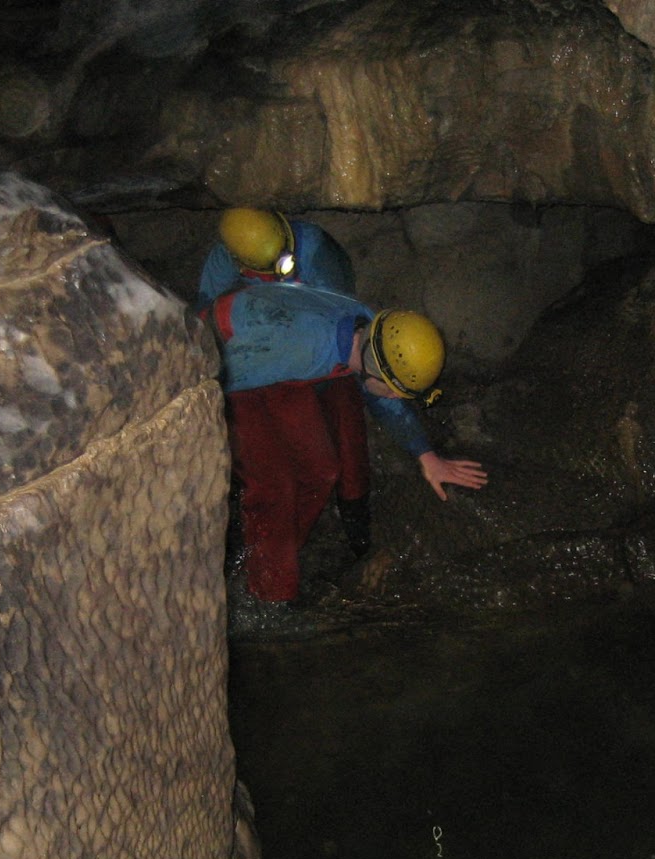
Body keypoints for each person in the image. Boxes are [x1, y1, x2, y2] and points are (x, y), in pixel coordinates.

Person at [209, 281, 488, 604]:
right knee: (275, 486)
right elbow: (216, 375)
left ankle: (270, 556)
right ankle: (269, 598)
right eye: (396, 389)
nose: (397, 397)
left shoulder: (370, 329)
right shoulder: (306, 347)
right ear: (375, 369)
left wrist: (426, 456)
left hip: (276, 365)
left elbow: (385, 397)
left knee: (322, 469)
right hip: (231, 362)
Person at [198, 207, 374, 556]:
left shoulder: (316, 256)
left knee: (333, 452)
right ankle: (266, 556)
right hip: (262, 364)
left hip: (322, 356)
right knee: (275, 478)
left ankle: (350, 528)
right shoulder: (223, 262)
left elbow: (347, 334)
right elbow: (209, 323)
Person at [196, 207, 355, 309]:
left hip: (315, 293)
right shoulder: (228, 253)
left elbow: (336, 306)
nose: (282, 260)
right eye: (273, 264)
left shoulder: (317, 253)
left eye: (284, 252)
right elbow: (207, 305)